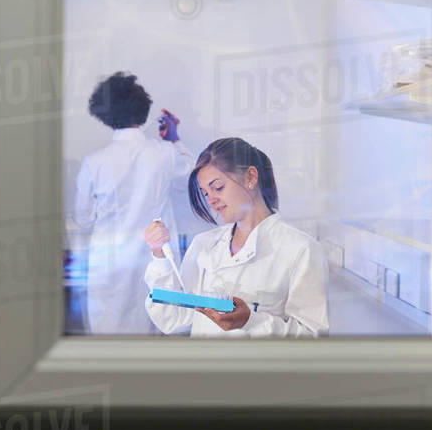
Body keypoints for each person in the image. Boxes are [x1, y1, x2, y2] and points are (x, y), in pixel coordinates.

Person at [141, 137, 329, 337]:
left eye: (218, 187)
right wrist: (159, 256)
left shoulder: (301, 249)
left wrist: (251, 321)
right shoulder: (204, 245)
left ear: (251, 177)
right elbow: (175, 317)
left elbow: (312, 338)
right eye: (206, 193)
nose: (211, 201)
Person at [70, 72, 195, 335]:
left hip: (110, 262)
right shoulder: (164, 153)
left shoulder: (94, 162)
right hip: (155, 258)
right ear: (143, 108)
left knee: (110, 334)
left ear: (104, 114)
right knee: (157, 325)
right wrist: (174, 138)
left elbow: (83, 218)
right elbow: (190, 175)